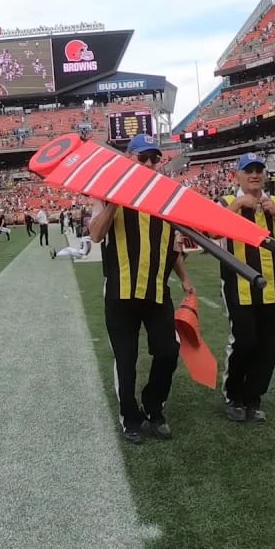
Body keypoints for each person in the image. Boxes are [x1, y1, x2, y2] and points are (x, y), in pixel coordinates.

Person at [89, 134, 195, 445]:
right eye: (142, 157)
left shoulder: (165, 196)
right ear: (128, 158)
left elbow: (171, 246)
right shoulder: (106, 191)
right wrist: (116, 201)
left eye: (154, 159)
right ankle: (130, 418)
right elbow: (95, 235)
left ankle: (153, 405)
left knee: (168, 351)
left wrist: (185, 278)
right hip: (120, 291)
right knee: (126, 360)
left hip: (156, 290)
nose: (149, 163)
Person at [219, 153, 275, 422]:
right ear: (238, 175)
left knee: (267, 346)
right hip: (238, 285)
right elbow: (210, 232)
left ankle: (253, 397)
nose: (254, 175)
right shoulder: (226, 202)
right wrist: (237, 205)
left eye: (259, 170)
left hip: (271, 285)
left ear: (265, 175)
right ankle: (233, 395)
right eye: (249, 170)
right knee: (244, 341)